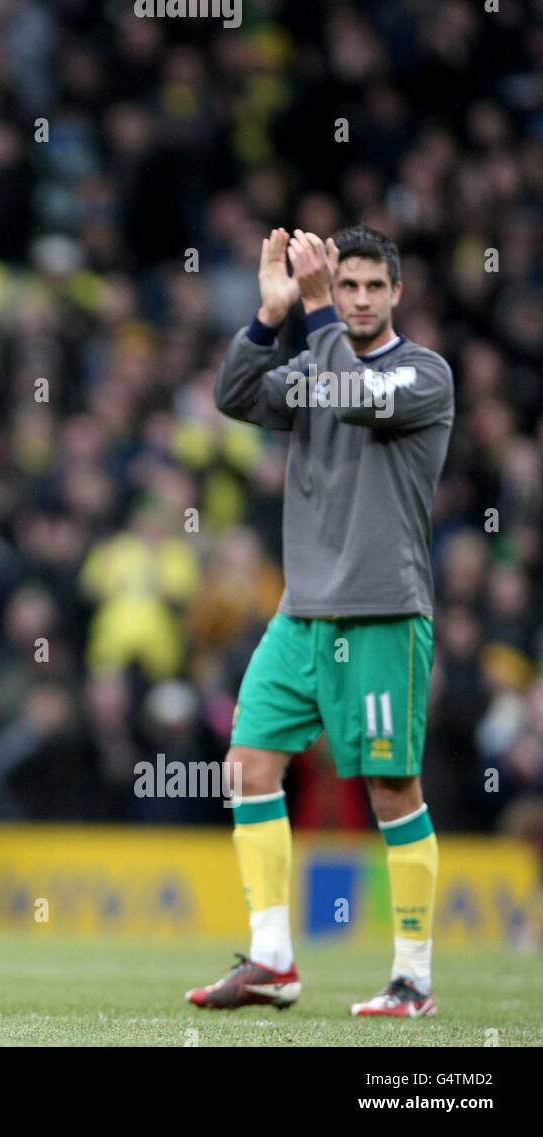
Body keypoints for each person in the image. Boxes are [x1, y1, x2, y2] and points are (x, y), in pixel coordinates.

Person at [189, 225, 453, 1017]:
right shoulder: (313, 357)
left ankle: (414, 977)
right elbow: (234, 397)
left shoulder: (424, 374)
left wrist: (312, 314)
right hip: (302, 610)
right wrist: (271, 319)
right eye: (348, 287)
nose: (362, 299)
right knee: (248, 765)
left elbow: (351, 396)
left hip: (382, 610)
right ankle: (273, 957)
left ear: (398, 293)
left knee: (391, 786)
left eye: (375, 286)